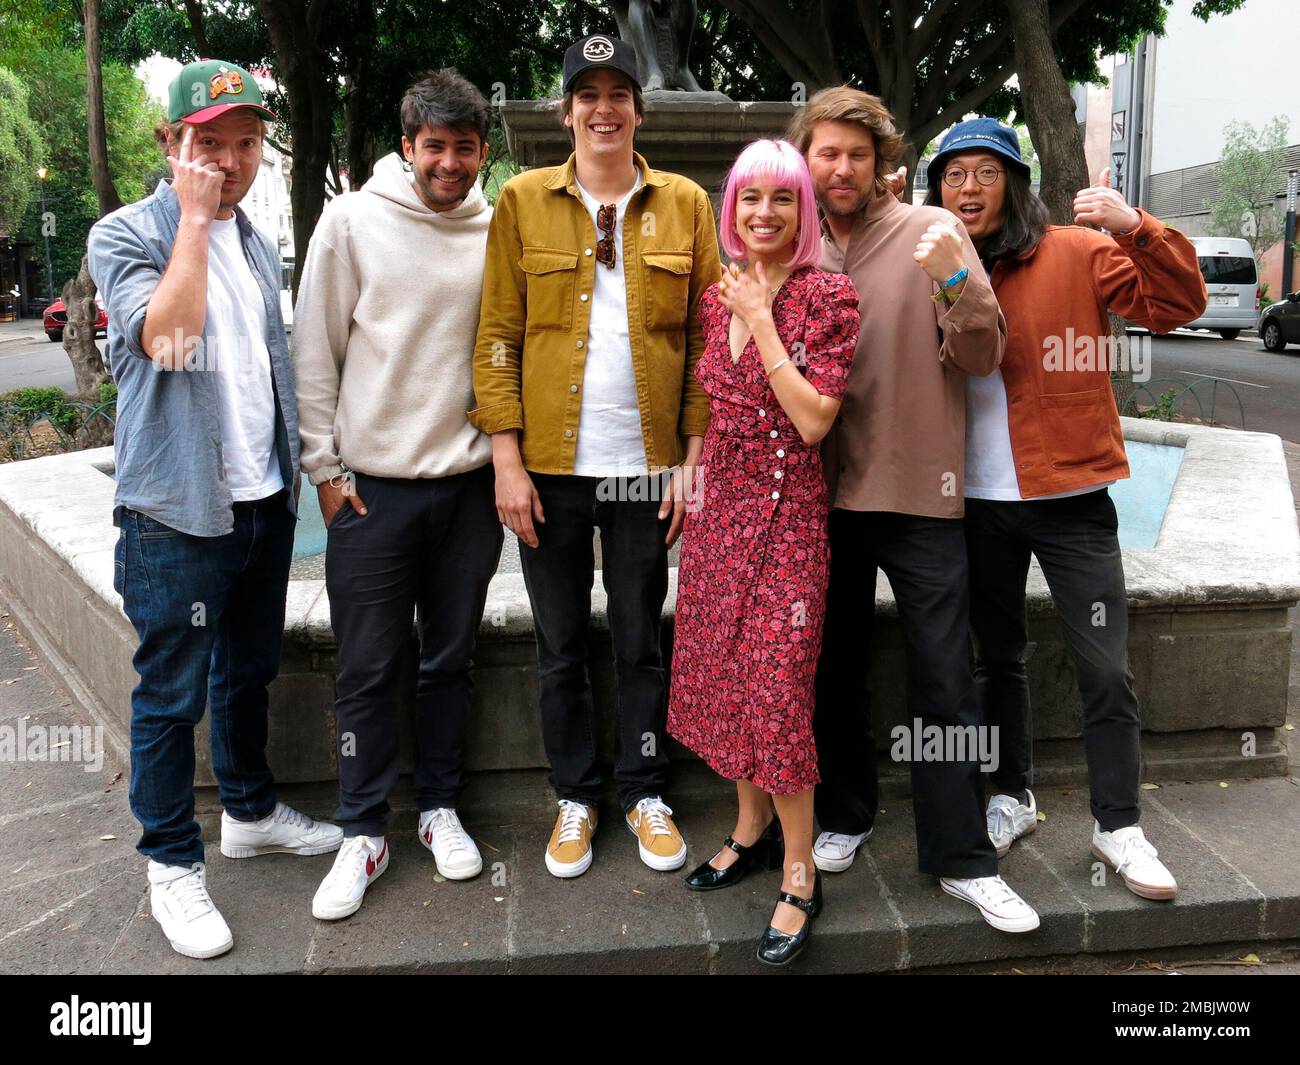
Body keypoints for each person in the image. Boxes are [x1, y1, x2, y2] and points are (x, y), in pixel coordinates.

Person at [87, 59, 341, 960]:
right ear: (170, 144)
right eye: (208, 144)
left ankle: (249, 810)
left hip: (259, 502)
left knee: (249, 670)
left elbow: (268, 372)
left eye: (246, 144)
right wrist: (194, 219)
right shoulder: (128, 235)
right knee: (168, 694)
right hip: (175, 513)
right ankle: (169, 861)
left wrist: (303, 470)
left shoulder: (254, 238)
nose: (229, 163)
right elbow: (169, 341)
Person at [925, 117, 1207, 899]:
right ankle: (1011, 795)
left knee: (1104, 668)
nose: (968, 189)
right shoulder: (930, 265)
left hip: (1071, 498)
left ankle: (1119, 824)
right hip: (971, 504)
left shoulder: (1076, 252)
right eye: (953, 175)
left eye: (986, 173)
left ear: (1014, 184)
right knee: (994, 659)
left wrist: (1138, 227)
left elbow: (1176, 304)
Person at [787, 87, 1041, 933]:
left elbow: (981, 353)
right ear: (807, 157)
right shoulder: (792, 241)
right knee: (833, 667)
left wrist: (959, 281)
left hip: (920, 493)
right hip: (822, 496)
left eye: (858, 153)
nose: (842, 167)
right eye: (828, 152)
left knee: (947, 678)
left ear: (882, 161)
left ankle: (963, 856)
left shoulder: (934, 232)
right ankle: (848, 813)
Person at [471, 34, 722, 878]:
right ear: (567, 111)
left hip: (644, 469)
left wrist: (692, 460)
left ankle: (645, 789)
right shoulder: (520, 201)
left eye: (620, 93)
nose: (604, 108)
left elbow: (707, 343)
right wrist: (505, 461)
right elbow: (497, 337)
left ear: (638, 111)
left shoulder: (686, 203)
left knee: (642, 642)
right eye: (589, 95)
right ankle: (575, 796)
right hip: (547, 470)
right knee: (560, 642)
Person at [293, 70, 502, 920]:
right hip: (373, 493)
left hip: (470, 489)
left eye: (463, 148)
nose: (448, 163)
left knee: (451, 657)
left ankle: (441, 808)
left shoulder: (500, 227)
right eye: (434, 146)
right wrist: (327, 474)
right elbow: (314, 350)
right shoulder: (350, 222)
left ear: (482, 152)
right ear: (407, 144)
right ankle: (362, 828)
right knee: (369, 665)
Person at [667, 139, 860, 965]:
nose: (765, 214)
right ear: (732, 207)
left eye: (783, 199)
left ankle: (799, 868)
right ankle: (746, 829)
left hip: (788, 520)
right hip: (719, 513)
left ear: (803, 211)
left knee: (777, 690)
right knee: (720, 676)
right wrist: (687, 476)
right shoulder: (719, 296)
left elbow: (814, 419)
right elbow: (711, 405)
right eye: (751, 198)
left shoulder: (829, 296)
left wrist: (760, 321)